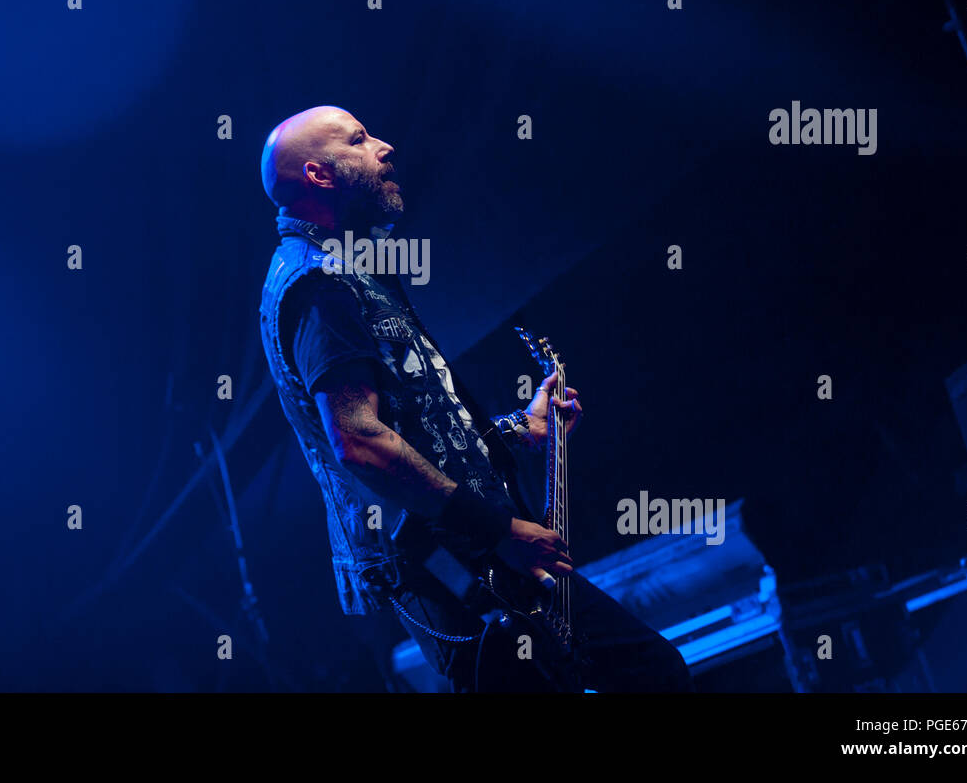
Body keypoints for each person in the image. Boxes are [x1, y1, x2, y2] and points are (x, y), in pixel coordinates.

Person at [258, 105, 693, 692]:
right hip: (448, 561)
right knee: (654, 675)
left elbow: (427, 426)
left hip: (474, 546)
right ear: (318, 175)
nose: (384, 147)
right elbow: (358, 441)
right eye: (359, 140)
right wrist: (496, 529)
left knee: (649, 675)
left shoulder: (358, 268)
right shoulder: (318, 286)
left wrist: (522, 429)